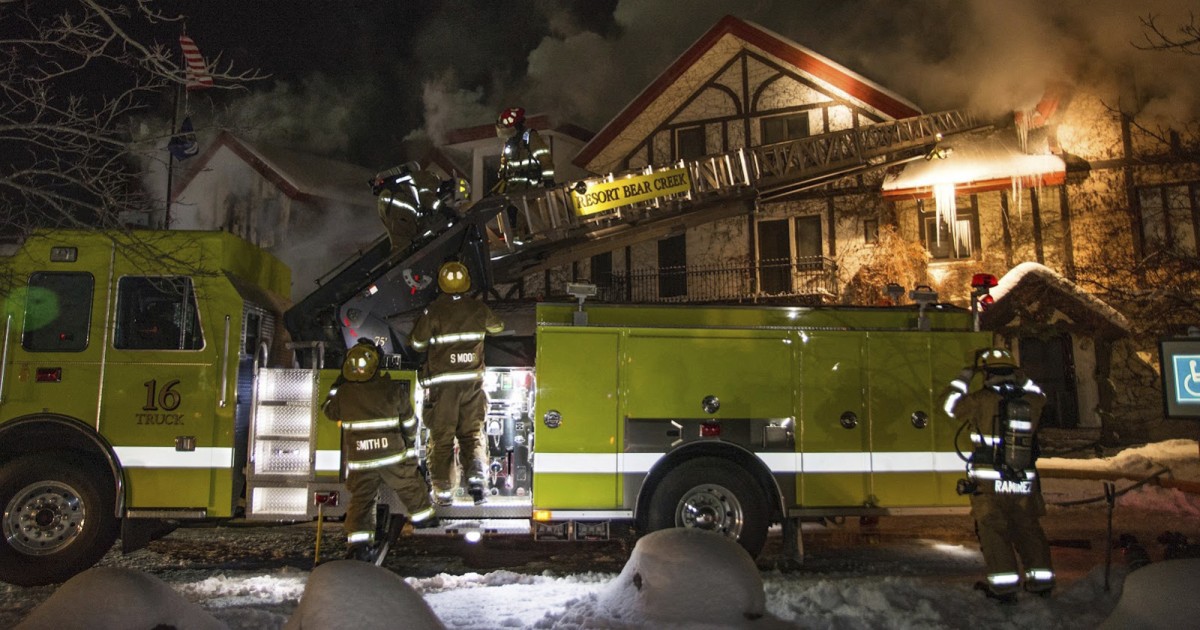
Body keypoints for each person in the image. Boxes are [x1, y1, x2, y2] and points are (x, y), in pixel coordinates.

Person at [944, 347, 1056, 603]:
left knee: (994, 531)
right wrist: (1023, 378)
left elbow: (950, 406)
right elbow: (1042, 395)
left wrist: (963, 377)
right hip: (1024, 479)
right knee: (1028, 529)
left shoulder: (981, 400)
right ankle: (1041, 583)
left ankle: (1004, 589)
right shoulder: (1032, 400)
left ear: (987, 375)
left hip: (989, 483)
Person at [322, 338, 436, 561]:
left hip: (361, 459)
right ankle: (424, 518)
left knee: (362, 499)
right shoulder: (391, 388)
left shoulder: (344, 393)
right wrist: (409, 442)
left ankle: (358, 544)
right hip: (391, 455)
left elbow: (328, 410)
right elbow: (409, 422)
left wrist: (339, 382)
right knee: (408, 483)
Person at [409, 261, 504, 506]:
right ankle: (477, 484)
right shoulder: (478, 309)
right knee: (471, 436)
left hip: (443, 390)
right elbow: (498, 326)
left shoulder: (434, 311)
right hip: (472, 385)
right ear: (467, 282)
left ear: (440, 284)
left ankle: (443, 495)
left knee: (442, 440)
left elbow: (417, 343)